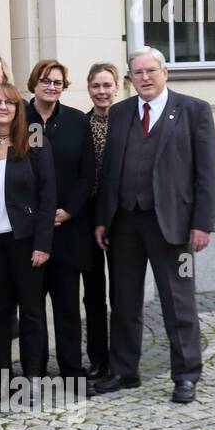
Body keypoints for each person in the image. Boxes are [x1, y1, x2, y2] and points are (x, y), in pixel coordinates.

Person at [93, 47, 215, 404]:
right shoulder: (118, 113)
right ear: (129, 79)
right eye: (137, 73)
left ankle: (186, 375)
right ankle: (124, 370)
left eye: (151, 71)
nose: (144, 78)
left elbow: (207, 174)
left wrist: (202, 224)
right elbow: (109, 173)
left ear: (165, 73)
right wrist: (103, 219)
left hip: (173, 225)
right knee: (124, 300)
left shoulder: (194, 111)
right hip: (125, 223)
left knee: (178, 302)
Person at [0, 83, 56, 389]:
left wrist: (43, 244)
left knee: (31, 310)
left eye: (9, 103)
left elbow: (48, 198)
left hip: (26, 242)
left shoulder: (34, 143)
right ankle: (4, 372)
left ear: (19, 109)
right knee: (0, 311)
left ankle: (32, 373)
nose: (2, 107)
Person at [25, 59, 94, 382]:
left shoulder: (78, 122)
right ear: (33, 83)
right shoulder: (17, 119)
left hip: (68, 229)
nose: (51, 86)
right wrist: (36, 216)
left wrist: (68, 210)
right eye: (45, 80)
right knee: (33, 308)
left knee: (67, 306)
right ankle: (34, 372)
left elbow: (87, 174)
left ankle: (71, 370)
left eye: (57, 82)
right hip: (29, 232)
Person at [82, 62, 120, 380]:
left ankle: (121, 356)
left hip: (120, 217)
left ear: (117, 88)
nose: (102, 91)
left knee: (121, 290)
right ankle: (98, 358)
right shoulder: (81, 124)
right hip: (87, 216)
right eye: (96, 86)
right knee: (93, 292)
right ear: (89, 88)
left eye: (107, 85)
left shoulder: (128, 122)